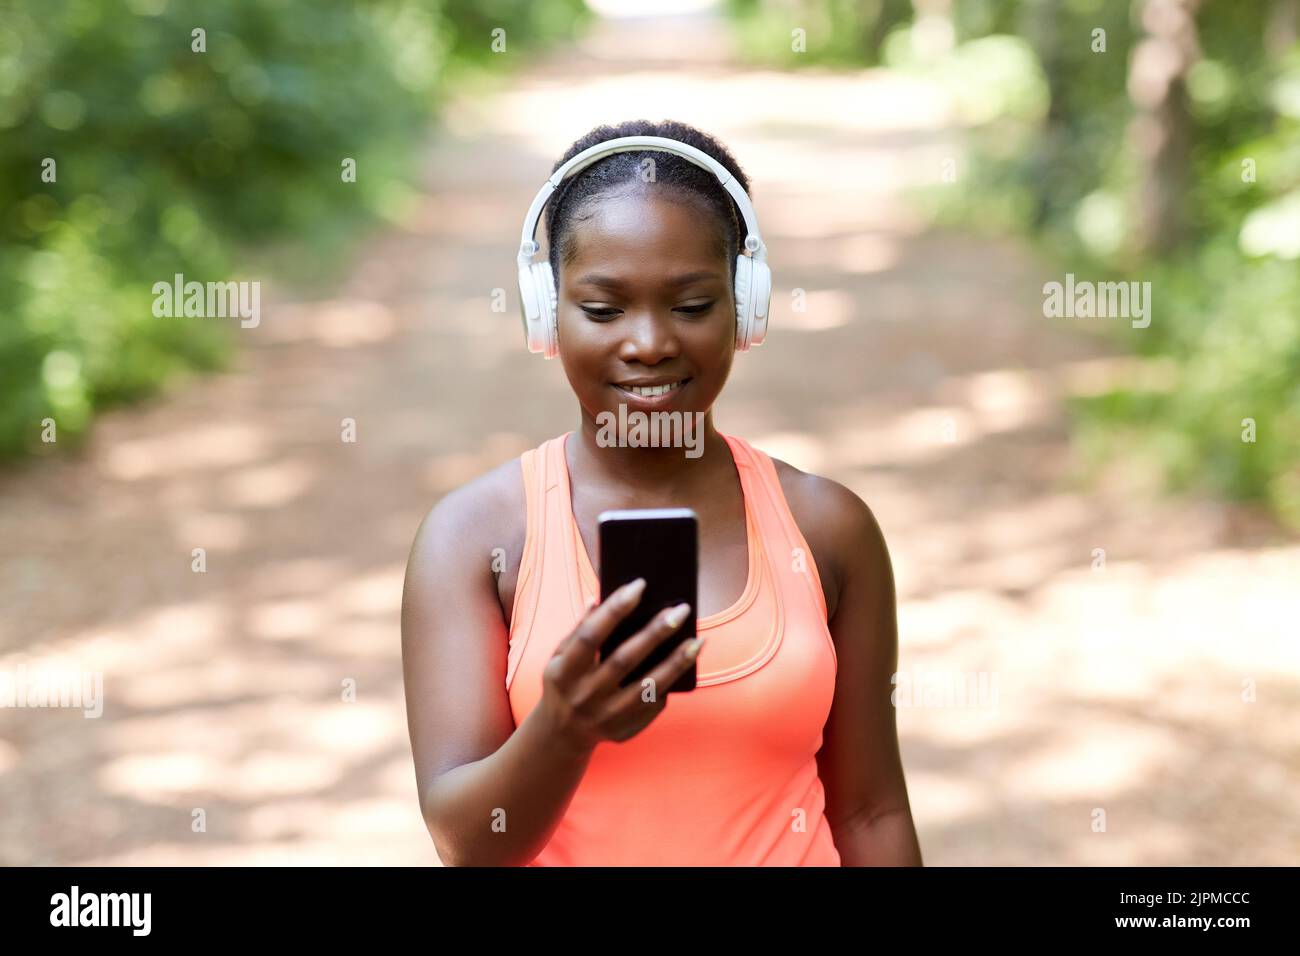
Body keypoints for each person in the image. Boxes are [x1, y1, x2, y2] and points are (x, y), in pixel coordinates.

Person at [401, 118, 922, 866]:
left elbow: (872, 811)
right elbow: (467, 844)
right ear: (546, 315)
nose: (648, 343)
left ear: (747, 306)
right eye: (605, 309)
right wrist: (565, 727)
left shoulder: (829, 527)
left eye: (690, 305)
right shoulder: (474, 537)